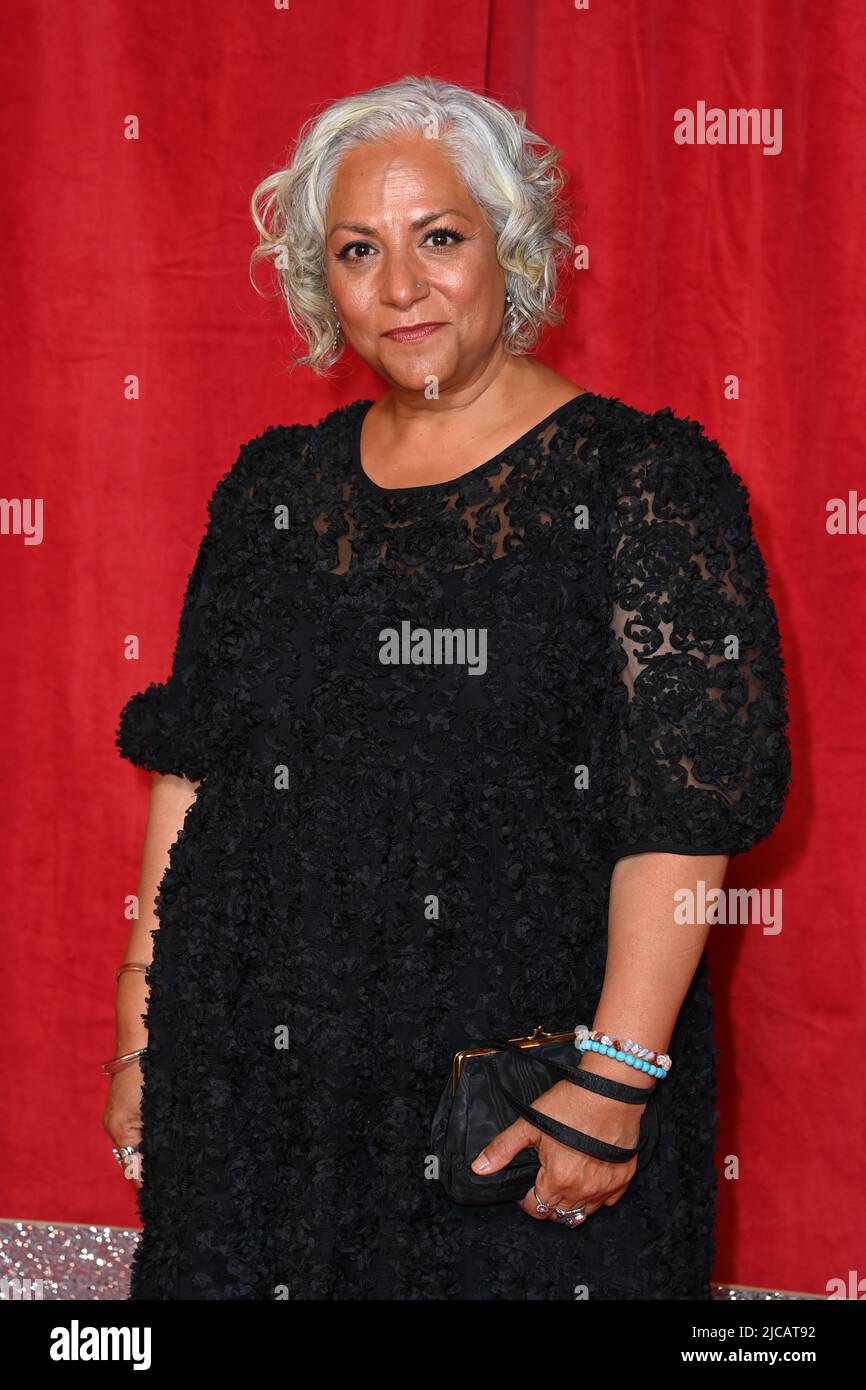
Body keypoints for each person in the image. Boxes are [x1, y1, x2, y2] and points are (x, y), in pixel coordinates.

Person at [106, 74, 791, 1300]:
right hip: (261, 1089)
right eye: (357, 250)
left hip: (512, 1101)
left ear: (509, 245)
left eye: (439, 237)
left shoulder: (644, 480)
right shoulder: (272, 490)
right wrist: (141, 1037)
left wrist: (613, 1082)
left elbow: (686, 814)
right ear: (322, 282)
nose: (402, 286)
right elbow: (191, 779)